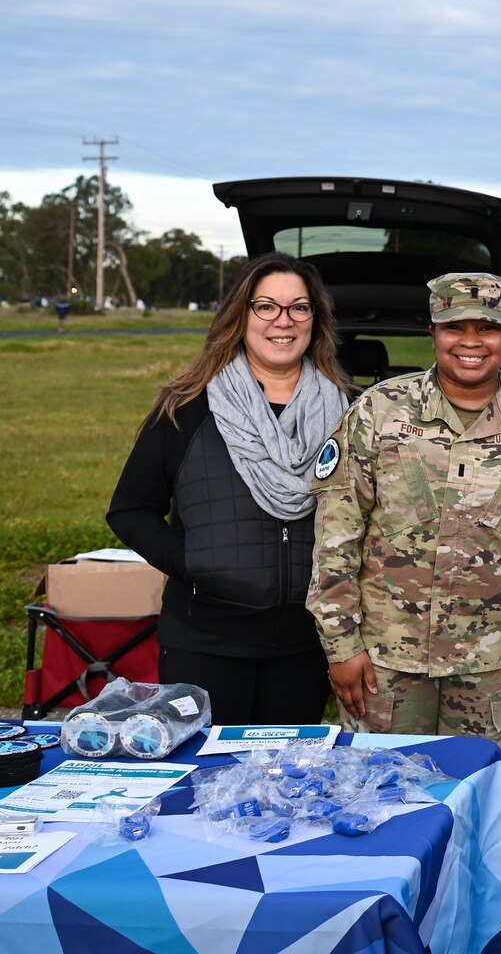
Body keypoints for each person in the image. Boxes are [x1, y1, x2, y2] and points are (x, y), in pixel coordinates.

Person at [307, 273, 501, 763]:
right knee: (378, 802)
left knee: (475, 802)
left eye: (488, 328)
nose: (471, 342)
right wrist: (340, 645)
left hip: (493, 663)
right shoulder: (379, 413)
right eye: (456, 327)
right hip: (386, 662)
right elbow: (336, 536)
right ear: (433, 332)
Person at [107, 252, 351, 725]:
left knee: (284, 787)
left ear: (315, 320)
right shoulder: (186, 410)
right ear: (240, 315)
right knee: (204, 785)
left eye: (299, 307)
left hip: (305, 645)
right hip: (206, 642)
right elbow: (130, 510)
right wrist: (192, 562)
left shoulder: (350, 413)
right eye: (266, 306)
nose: (284, 321)